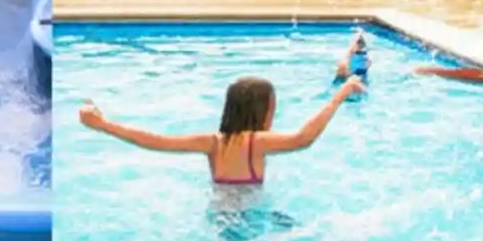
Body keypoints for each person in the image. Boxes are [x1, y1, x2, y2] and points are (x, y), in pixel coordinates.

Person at [78, 75, 364, 185]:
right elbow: (304, 138)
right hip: (249, 222)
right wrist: (340, 94)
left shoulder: (213, 143)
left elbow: (158, 141)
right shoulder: (257, 142)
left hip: (220, 220)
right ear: (261, 112)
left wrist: (104, 125)